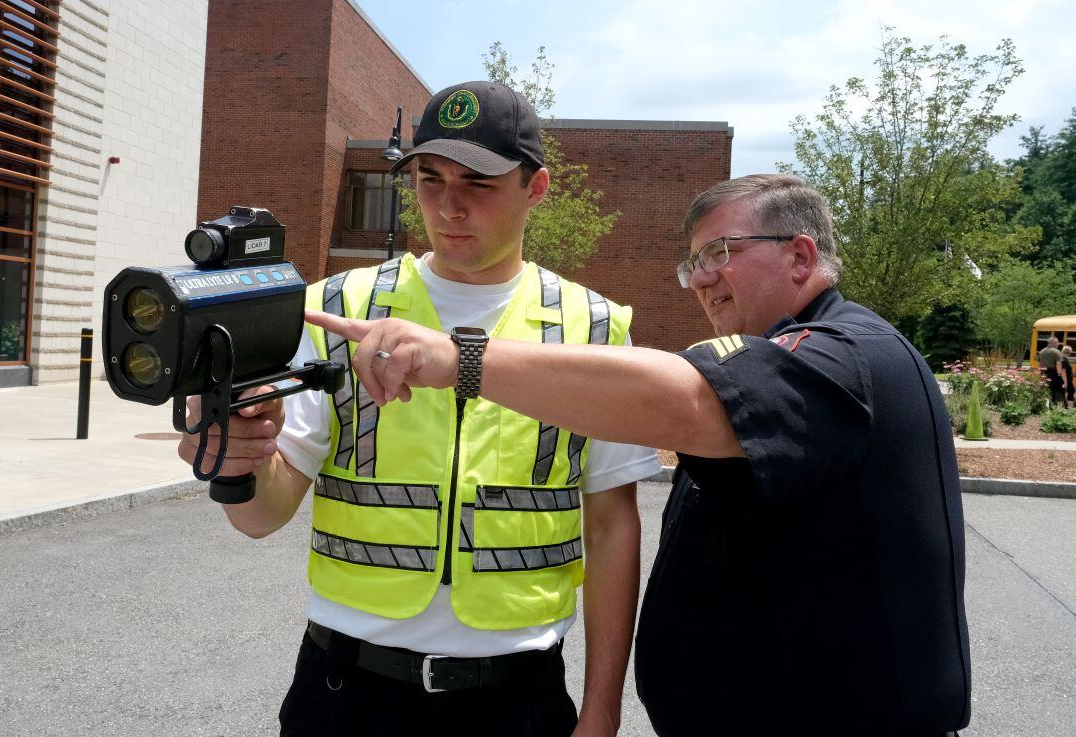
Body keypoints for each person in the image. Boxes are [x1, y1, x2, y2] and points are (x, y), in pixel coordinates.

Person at [309, 174, 973, 736]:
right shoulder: (786, 365)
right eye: (693, 263)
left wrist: (461, 359)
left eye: (720, 252)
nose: (700, 280)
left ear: (799, 256)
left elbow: (682, 403)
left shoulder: (842, 354)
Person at [179, 81, 660, 736]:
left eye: (479, 183)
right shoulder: (338, 308)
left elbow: (611, 526)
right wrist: (235, 463)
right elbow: (262, 516)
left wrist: (601, 709)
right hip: (347, 691)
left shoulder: (592, 327)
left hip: (515, 696)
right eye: (429, 179)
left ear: (536, 188)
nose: (448, 206)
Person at [1039, 335, 1067, 408]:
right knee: (1060, 389)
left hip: (1044, 372)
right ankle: (1063, 406)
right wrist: (1059, 374)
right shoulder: (1056, 351)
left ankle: (1049, 405)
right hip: (1054, 372)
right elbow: (1058, 363)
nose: (1058, 344)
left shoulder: (1041, 351)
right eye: (1057, 342)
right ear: (1052, 343)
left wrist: (1041, 373)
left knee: (1048, 390)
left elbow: (1040, 363)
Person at [1061, 344, 1074, 409]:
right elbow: (1063, 371)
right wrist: (1065, 382)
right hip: (1067, 380)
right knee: (1071, 392)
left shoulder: (1062, 359)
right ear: (1070, 352)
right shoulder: (1064, 360)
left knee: (1064, 393)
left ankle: (1065, 407)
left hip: (1064, 380)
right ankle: (1070, 408)